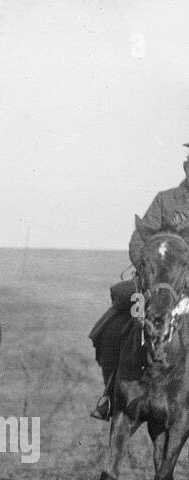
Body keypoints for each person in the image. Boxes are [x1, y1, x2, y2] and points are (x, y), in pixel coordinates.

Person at [89, 144, 189, 420]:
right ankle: (110, 395)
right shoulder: (165, 201)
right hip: (157, 286)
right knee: (109, 327)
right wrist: (146, 268)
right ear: (186, 167)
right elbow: (140, 237)